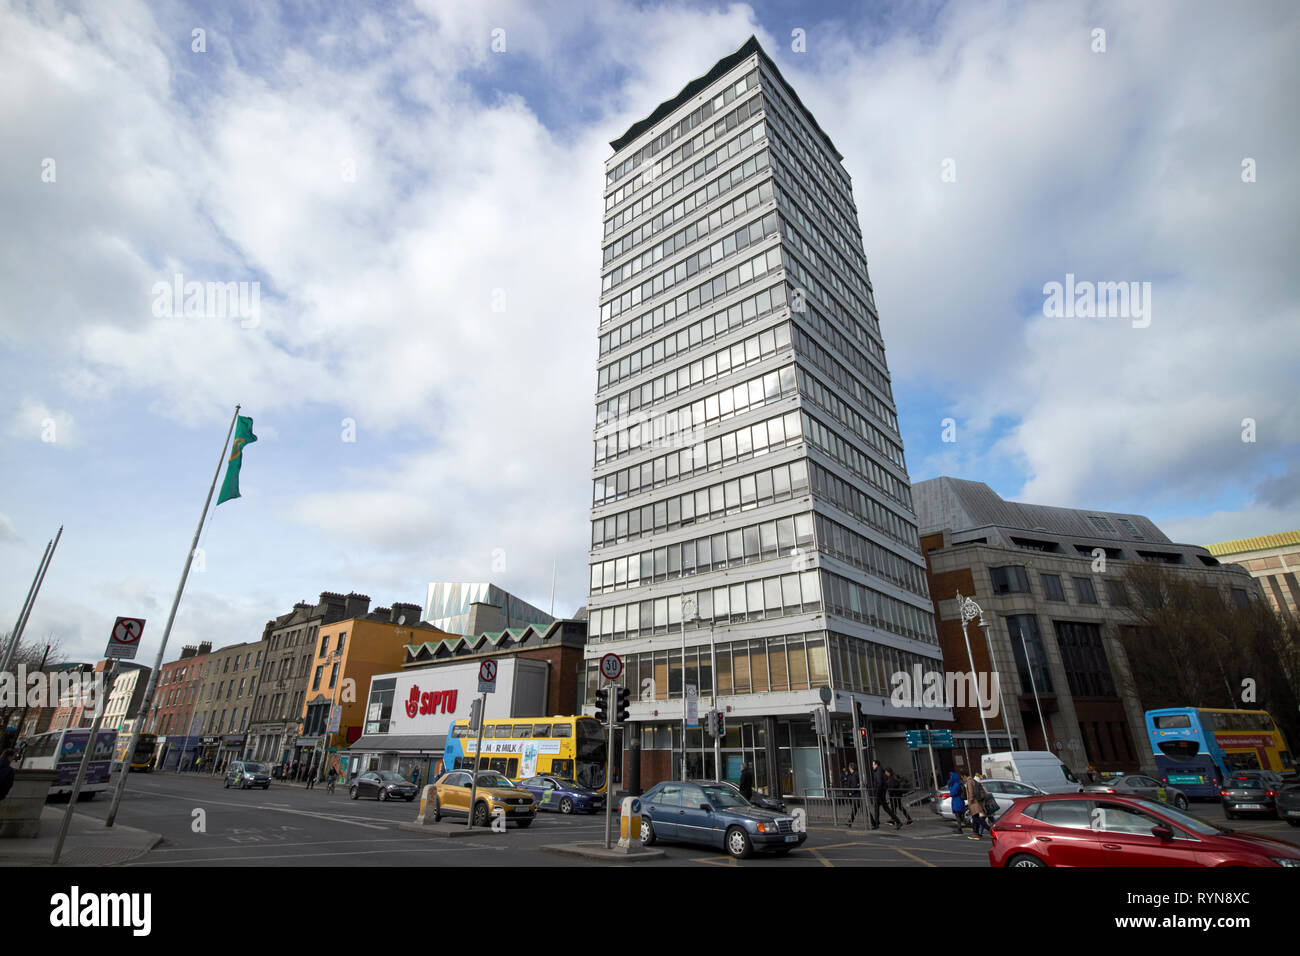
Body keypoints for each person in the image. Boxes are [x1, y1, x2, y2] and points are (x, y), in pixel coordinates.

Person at [871, 759, 902, 830]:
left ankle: (877, 824)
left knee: (882, 808)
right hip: (881, 792)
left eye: (873, 764)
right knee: (881, 808)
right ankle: (897, 822)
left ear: (876, 765)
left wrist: (877, 793)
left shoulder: (878, 772)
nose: (872, 766)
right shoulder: (880, 771)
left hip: (880, 793)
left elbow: (879, 783)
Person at [964, 772, 990, 840]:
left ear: (964, 776)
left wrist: (970, 802)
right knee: (975, 818)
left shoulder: (969, 781)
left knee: (977, 819)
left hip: (974, 803)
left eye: (962, 777)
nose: (963, 779)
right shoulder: (973, 780)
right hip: (977, 802)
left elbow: (971, 792)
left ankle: (990, 830)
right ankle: (976, 834)